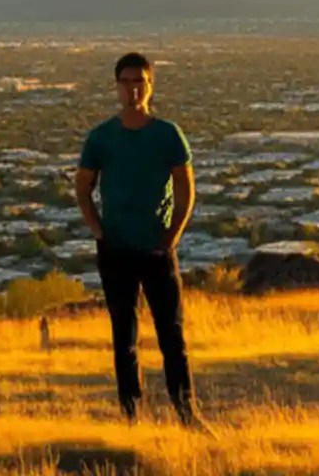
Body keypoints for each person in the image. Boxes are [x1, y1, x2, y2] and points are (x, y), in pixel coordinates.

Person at [74, 52, 207, 430]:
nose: (133, 89)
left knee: (172, 337)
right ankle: (131, 418)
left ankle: (187, 414)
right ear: (116, 86)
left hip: (157, 250)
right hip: (116, 251)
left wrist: (171, 237)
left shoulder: (167, 134)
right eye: (126, 82)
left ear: (150, 85)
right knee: (124, 339)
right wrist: (99, 234)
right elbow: (83, 189)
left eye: (140, 82)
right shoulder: (101, 138)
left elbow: (186, 190)